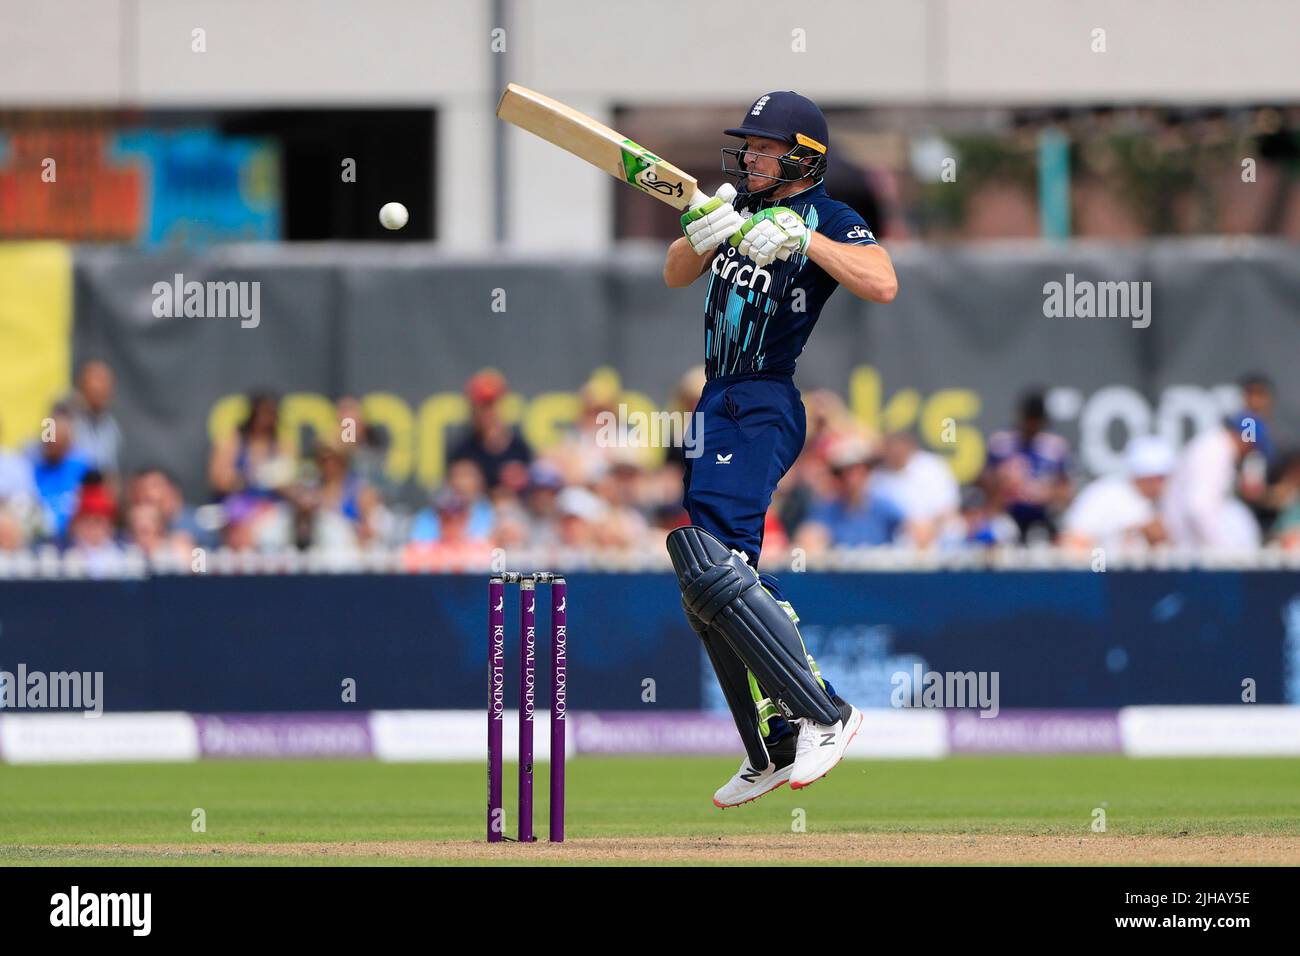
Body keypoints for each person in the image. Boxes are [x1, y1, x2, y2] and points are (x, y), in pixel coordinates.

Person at [662, 90, 897, 806]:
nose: (751, 157)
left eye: (764, 147)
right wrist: (698, 234)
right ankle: (770, 746)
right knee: (705, 576)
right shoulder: (744, 206)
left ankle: (825, 709)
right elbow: (675, 273)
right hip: (717, 397)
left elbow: (883, 283)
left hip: (763, 398)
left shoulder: (830, 216)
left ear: (802, 155)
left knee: (721, 565)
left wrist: (804, 241)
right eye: (750, 146)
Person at [983, 390, 1073, 542]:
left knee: (1053, 538)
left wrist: (1045, 491)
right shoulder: (1001, 443)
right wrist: (1002, 480)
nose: (1031, 425)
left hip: (1043, 518)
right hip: (1007, 514)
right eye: (1028, 419)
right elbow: (982, 482)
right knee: (993, 535)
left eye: (1036, 421)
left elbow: (1067, 492)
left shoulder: (1055, 447)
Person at [1059, 435, 1174, 553]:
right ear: (1146, 477)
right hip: (1099, 569)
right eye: (1161, 478)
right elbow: (1073, 542)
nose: (1165, 484)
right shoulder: (1104, 494)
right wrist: (1102, 566)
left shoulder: (1157, 502)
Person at [1163, 415, 1261, 550]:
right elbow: (1198, 507)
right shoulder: (1215, 451)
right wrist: (1223, 550)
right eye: (1251, 446)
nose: (1249, 451)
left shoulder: (1215, 446)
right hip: (1191, 551)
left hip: (1191, 548)